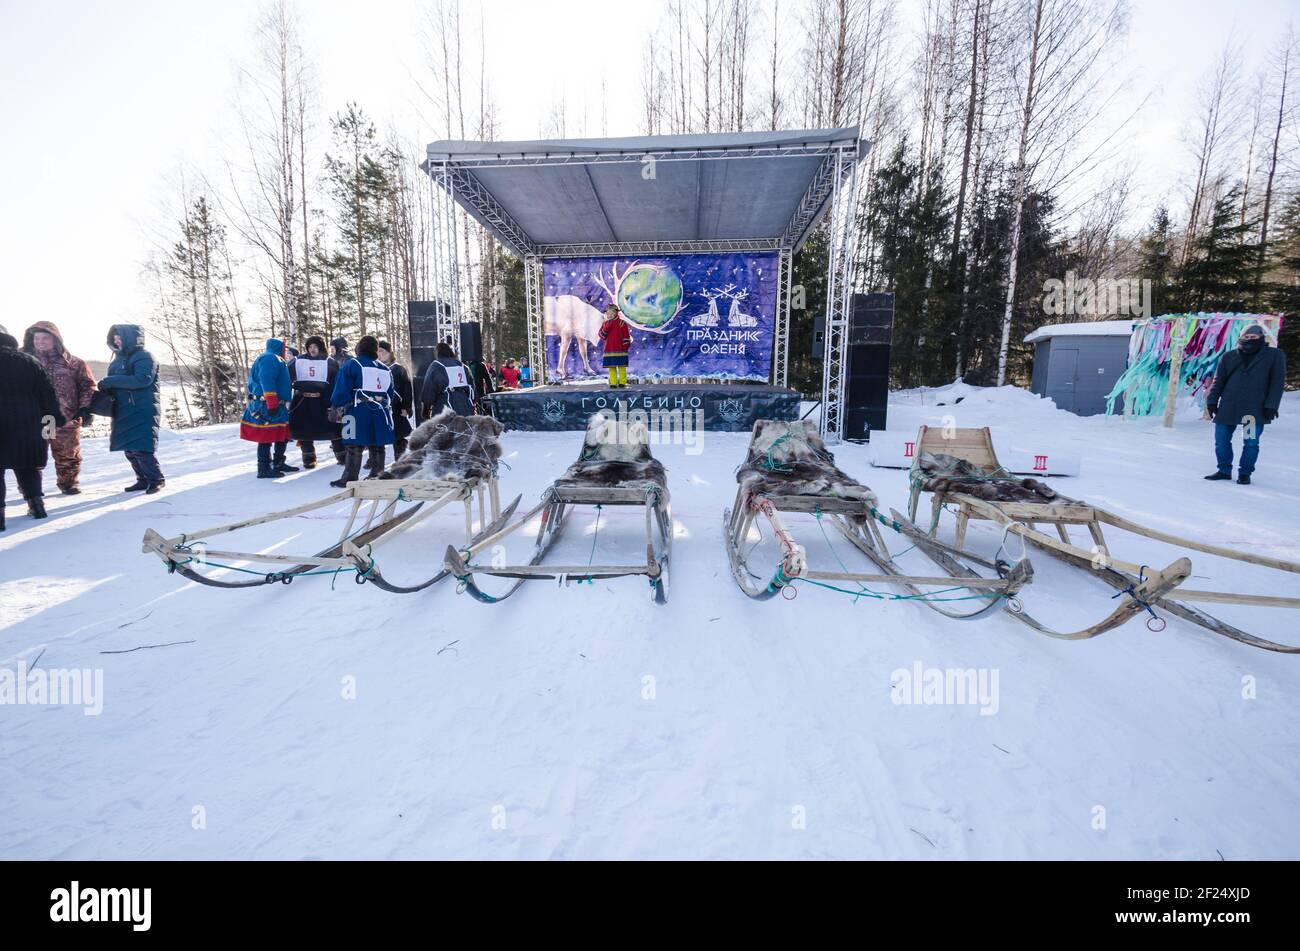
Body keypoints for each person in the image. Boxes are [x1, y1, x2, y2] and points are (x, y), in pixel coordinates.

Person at [0, 323, 65, 528]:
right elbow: (48, 396)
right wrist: (54, 419)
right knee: (27, 465)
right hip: (27, 425)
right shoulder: (30, 361)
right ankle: (37, 505)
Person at [1204, 324, 1286, 486]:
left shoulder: (1274, 355)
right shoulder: (1229, 356)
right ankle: (1224, 470)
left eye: (1254, 337)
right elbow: (1219, 380)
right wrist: (1212, 401)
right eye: (1247, 337)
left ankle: (1245, 473)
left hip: (1253, 409)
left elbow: (1277, 382)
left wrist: (1272, 405)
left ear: (1261, 338)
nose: (1250, 340)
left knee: (1250, 442)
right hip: (1229, 406)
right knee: (1221, 440)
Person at [22, 321, 96, 495]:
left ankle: (69, 483)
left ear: (55, 339)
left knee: (68, 454)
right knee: (33, 455)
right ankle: (30, 489)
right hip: (35, 418)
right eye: (37, 338)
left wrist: (86, 408)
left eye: (45, 338)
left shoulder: (74, 363)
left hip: (66, 417)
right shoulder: (23, 360)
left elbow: (88, 386)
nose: (40, 341)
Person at [99, 324, 165, 494]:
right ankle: (142, 479)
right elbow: (116, 381)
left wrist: (111, 381)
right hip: (123, 409)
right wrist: (105, 387)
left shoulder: (145, 356)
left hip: (142, 409)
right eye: (114, 338)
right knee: (129, 449)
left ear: (131, 338)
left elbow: (142, 379)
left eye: (119, 337)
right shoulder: (118, 359)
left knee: (141, 447)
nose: (116, 341)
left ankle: (156, 479)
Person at [330, 335, 398, 487]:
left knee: (353, 444)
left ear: (359, 347)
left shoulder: (352, 364)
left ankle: (349, 477)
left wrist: (336, 405)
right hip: (380, 411)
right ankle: (377, 475)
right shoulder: (384, 368)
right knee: (377, 444)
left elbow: (341, 388)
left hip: (356, 410)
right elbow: (390, 392)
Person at [240, 338, 297, 479]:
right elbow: (266, 379)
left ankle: (278, 463)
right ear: (280, 347)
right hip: (267, 404)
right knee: (266, 437)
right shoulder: (270, 358)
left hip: (278, 404)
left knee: (281, 435)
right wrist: (272, 402)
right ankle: (263, 468)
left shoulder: (275, 358)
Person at [288, 336, 342, 469]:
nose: (312, 349)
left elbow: (336, 382)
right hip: (302, 401)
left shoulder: (329, 362)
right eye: (310, 347)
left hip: (322, 401)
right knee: (304, 431)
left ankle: (342, 456)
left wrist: (333, 402)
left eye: (315, 347)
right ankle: (309, 459)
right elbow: (285, 376)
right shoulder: (298, 361)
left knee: (333, 429)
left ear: (321, 347)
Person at [377, 340, 414, 458]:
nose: (379, 353)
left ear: (389, 353)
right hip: (380, 406)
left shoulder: (399, 369)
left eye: (382, 351)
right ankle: (375, 460)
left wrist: (406, 407)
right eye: (377, 351)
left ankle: (400, 457)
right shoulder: (375, 368)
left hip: (396, 407)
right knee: (379, 434)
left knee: (398, 434)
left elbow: (407, 390)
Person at [419, 342, 476, 418]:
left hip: (445, 406)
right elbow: (472, 387)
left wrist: (426, 409)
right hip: (466, 406)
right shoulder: (462, 366)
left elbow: (429, 388)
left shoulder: (437, 365)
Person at [599, 303, 632, 388]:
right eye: (608, 313)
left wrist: (625, 346)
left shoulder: (622, 323)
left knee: (621, 367)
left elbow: (626, 336)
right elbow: (602, 335)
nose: (609, 315)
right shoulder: (605, 324)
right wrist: (608, 325)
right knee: (612, 367)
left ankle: (622, 382)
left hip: (621, 349)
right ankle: (613, 383)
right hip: (609, 349)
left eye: (611, 313)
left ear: (616, 313)